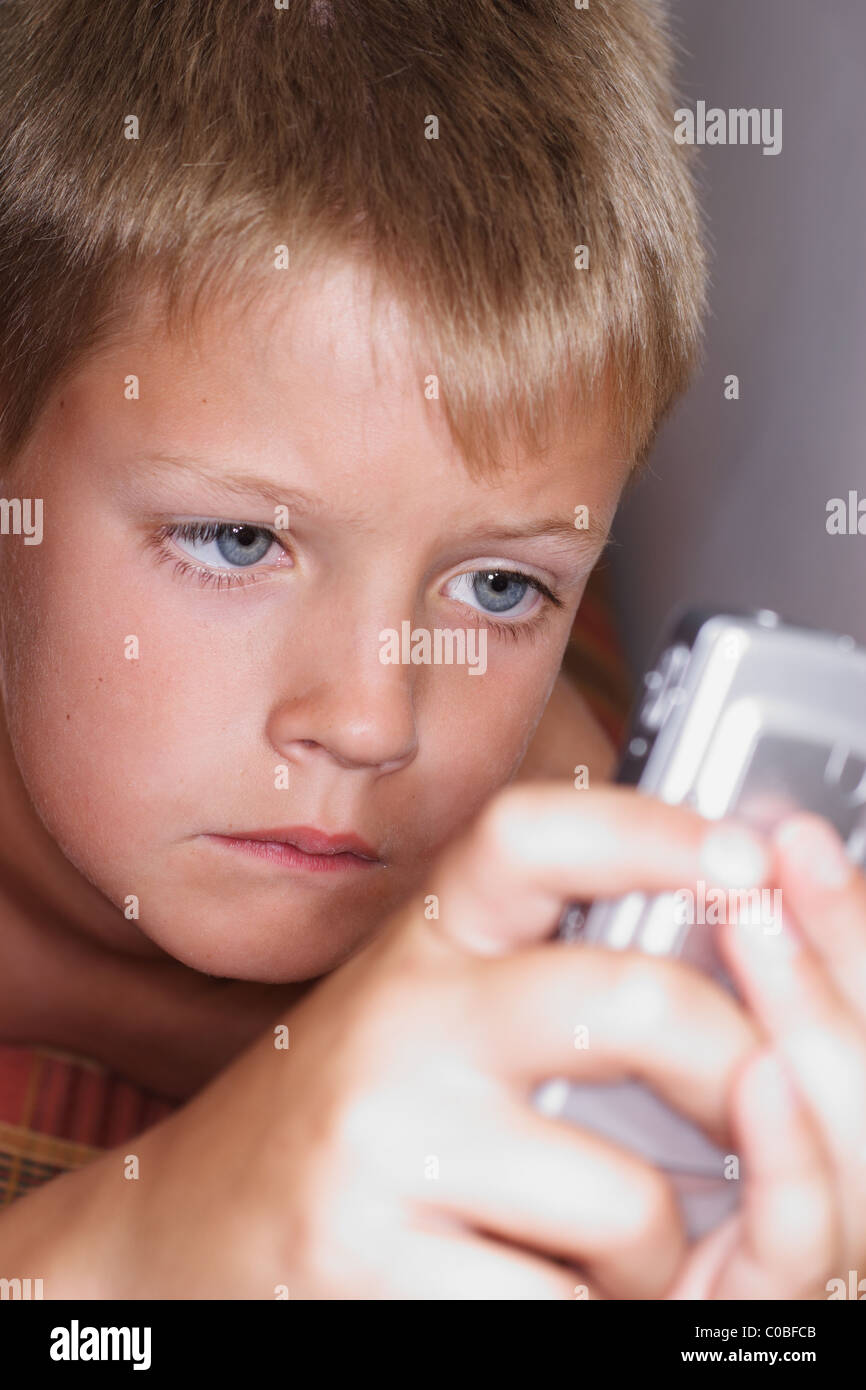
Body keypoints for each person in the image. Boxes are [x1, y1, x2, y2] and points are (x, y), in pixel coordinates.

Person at [0, 0, 863, 1299]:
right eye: (237, 543)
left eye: (500, 583)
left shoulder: (565, 876)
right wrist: (130, 1249)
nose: (369, 718)